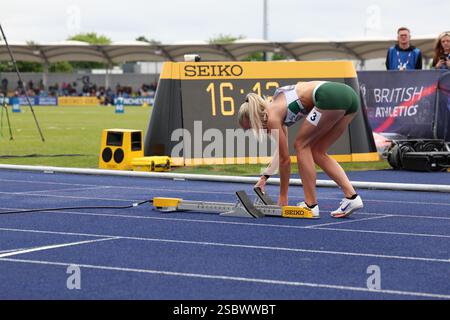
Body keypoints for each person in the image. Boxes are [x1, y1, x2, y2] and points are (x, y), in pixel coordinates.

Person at [238, 82, 364, 219]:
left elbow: (285, 161)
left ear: (255, 119)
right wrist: (265, 177)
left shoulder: (272, 118)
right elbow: (281, 154)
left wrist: (283, 197)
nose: (257, 131)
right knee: (318, 151)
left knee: (301, 145)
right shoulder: (276, 109)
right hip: (350, 96)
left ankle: (310, 205)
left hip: (329, 95)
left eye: (251, 128)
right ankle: (352, 197)